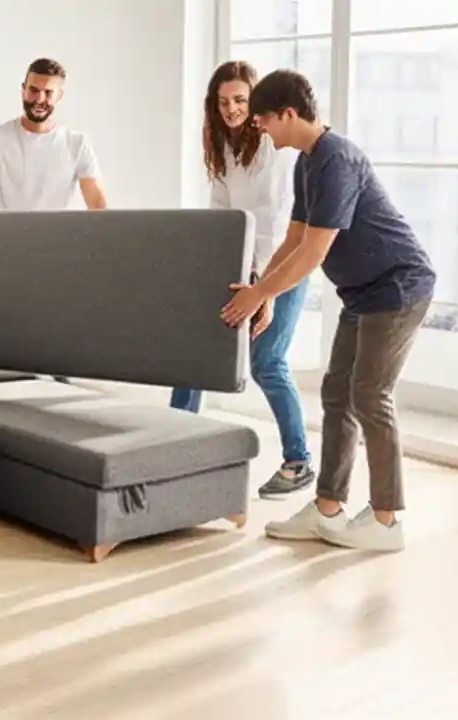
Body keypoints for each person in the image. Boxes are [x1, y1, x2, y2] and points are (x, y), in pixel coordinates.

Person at [221, 69, 436, 552]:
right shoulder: (306, 162)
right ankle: (327, 509)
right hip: (362, 293)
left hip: (399, 286)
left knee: (370, 396)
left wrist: (257, 296)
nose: (260, 129)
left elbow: (314, 254)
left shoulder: (338, 159)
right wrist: (264, 290)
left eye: (263, 120)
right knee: (337, 394)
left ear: (289, 114)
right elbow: (293, 240)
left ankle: (386, 522)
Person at [169, 60, 316, 502]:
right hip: (239, 268)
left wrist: (265, 292)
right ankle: (173, 444)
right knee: (193, 350)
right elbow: (223, 219)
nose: (231, 109)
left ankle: (299, 461)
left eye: (239, 100)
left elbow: (273, 225)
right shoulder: (222, 146)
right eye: (223, 101)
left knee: (267, 361)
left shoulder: (271, 149)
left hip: (282, 266)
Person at [0, 57, 108, 384]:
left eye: (48, 93)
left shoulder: (76, 144)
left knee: (60, 349)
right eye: (34, 90)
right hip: (6, 256)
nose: (39, 99)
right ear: (23, 90)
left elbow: (98, 204)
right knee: (6, 346)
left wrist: (105, 253)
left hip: (57, 258)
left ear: (59, 96)